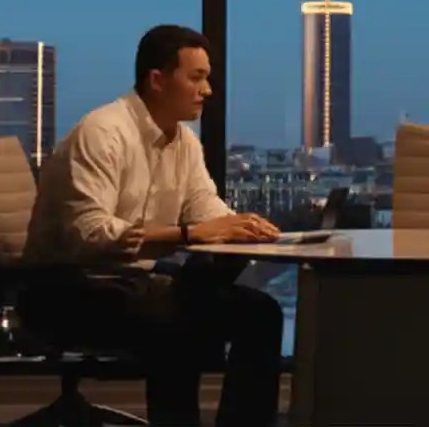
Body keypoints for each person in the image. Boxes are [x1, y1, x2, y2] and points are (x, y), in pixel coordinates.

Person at [23, 25, 284, 427]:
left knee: (260, 313)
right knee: (176, 316)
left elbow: (202, 206)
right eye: (196, 77)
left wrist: (238, 227)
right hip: (66, 287)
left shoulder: (185, 141)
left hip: (130, 282)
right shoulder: (104, 132)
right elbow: (90, 235)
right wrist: (190, 235)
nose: (208, 90)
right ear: (157, 81)